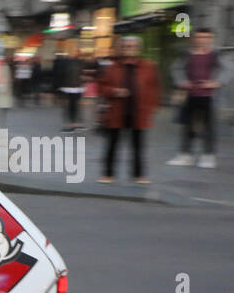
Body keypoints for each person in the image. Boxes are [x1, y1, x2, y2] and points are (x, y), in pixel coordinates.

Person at [98, 36, 160, 184]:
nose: (129, 48)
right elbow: (102, 87)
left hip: (139, 112)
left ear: (138, 49)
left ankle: (139, 174)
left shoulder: (148, 66)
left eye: (132, 46)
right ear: (121, 48)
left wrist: (151, 108)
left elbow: (154, 89)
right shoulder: (112, 67)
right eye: (126, 46)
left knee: (138, 146)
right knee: (112, 145)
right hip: (117, 112)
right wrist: (114, 91)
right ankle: (108, 174)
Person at [168, 28, 222, 169]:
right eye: (199, 37)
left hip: (208, 96)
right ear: (194, 38)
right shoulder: (187, 54)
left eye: (206, 37)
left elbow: (228, 68)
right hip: (190, 95)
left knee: (208, 127)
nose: (202, 40)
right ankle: (186, 156)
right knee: (188, 127)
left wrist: (217, 82)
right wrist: (181, 81)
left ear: (210, 39)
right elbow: (175, 68)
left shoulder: (215, 55)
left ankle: (208, 156)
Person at [53, 44, 85, 132]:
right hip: (73, 87)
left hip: (70, 87)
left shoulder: (68, 62)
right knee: (73, 106)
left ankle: (72, 125)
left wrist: (58, 85)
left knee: (69, 106)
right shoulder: (78, 62)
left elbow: (60, 74)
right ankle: (75, 124)